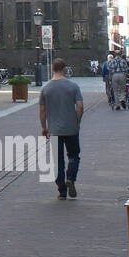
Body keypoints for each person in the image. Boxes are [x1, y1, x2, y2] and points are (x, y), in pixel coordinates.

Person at [40, 57, 84, 200]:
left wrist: (44, 127)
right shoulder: (73, 86)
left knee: (57, 161)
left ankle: (62, 191)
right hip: (71, 128)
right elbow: (80, 107)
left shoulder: (45, 88)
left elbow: (42, 111)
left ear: (52, 69)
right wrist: (77, 121)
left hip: (54, 130)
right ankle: (70, 177)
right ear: (64, 69)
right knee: (73, 155)